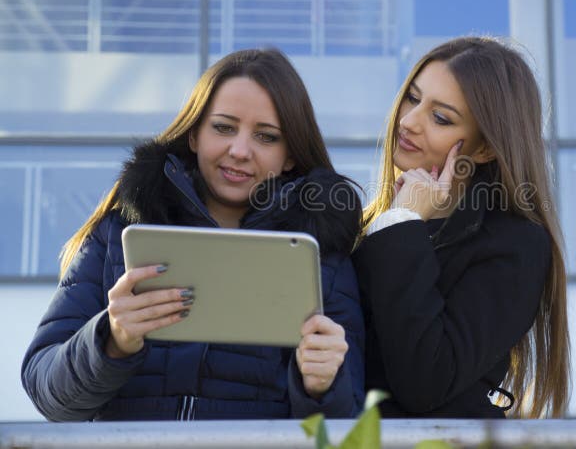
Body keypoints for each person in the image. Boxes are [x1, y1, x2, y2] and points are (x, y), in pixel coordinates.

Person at [21, 48, 365, 421]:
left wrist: (322, 387)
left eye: (266, 137)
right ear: (194, 135)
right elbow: (48, 395)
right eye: (223, 127)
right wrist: (112, 340)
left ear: (290, 156)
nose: (239, 150)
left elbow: (346, 431)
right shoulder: (119, 232)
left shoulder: (322, 260)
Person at [353, 36, 570, 418]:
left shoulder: (515, 246)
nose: (408, 121)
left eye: (440, 117)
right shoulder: (369, 226)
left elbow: (424, 380)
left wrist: (402, 224)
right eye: (412, 98)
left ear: (485, 148)